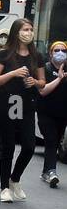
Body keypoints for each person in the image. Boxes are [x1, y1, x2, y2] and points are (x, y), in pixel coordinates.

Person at [0, 18, 46, 203]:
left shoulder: (36, 56)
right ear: (16, 32)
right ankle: (5, 187)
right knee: (8, 145)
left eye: (30, 29)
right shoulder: (5, 54)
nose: (28, 32)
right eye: (25, 29)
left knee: (29, 146)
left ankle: (15, 179)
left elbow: (42, 83)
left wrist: (35, 82)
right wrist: (12, 73)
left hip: (27, 103)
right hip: (8, 102)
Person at [39, 40, 67, 186]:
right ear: (51, 53)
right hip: (46, 113)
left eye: (63, 50)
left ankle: (45, 171)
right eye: (57, 50)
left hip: (62, 115)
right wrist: (59, 79)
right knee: (50, 140)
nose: (60, 53)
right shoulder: (45, 69)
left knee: (55, 142)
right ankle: (51, 172)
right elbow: (43, 91)